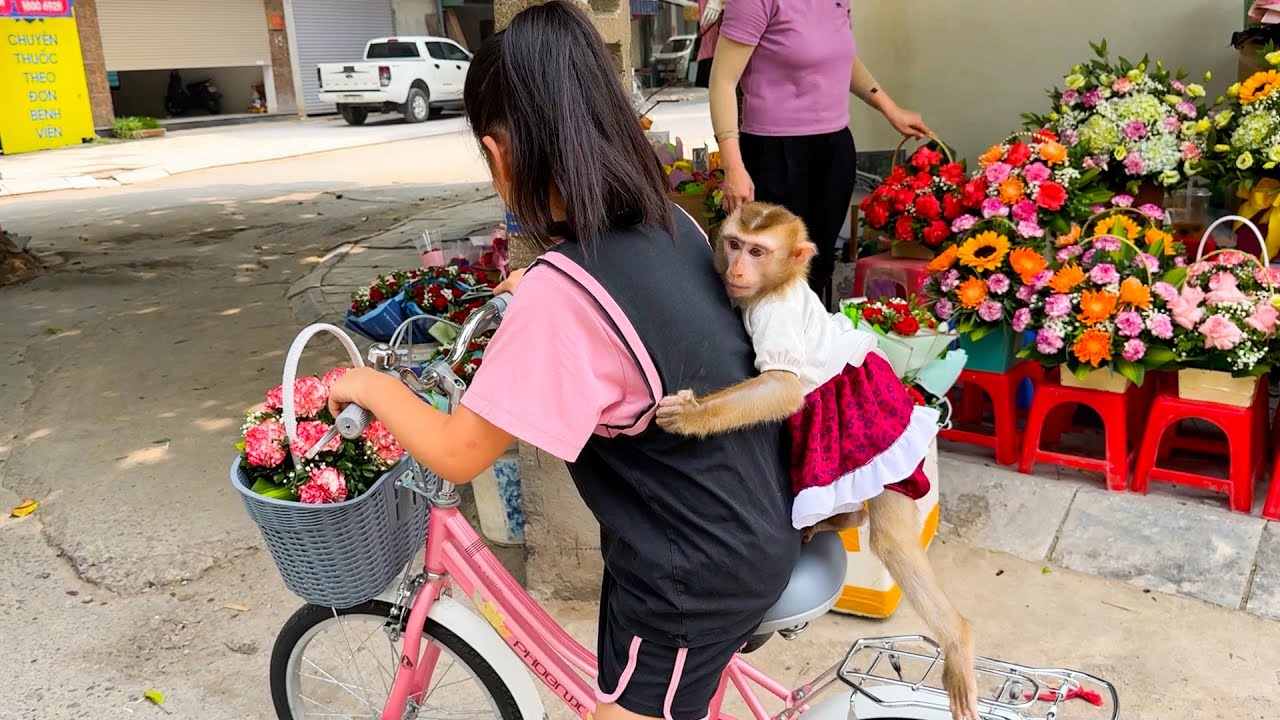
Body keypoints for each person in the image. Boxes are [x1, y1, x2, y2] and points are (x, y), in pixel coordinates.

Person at [327, 4, 800, 720]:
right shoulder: (672, 225)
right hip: (746, 513)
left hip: (693, 571)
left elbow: (459, 454)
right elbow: (632, 322)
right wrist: (533, 289)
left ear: (499, 155)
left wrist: (364, 383)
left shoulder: (561, 295)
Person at [709, 0, 932, 307]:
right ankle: (762, 352)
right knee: (767, 274)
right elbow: (722, 81)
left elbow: (842, 58)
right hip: (774, 153)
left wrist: (890, 109)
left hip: (834, 148)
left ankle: (808, 349)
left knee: (816, 265)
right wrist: (733, 167)